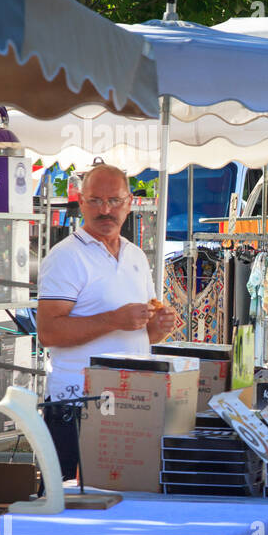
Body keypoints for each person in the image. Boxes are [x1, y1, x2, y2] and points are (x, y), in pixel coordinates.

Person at [36, 163, 179, 481]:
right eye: (96, 201)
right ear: (80, 201)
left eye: (114, 201)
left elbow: (144, 335)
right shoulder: (66, 257)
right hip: (78, 404)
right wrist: (114, 319)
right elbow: (48, 332)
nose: (105, 210)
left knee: (125, 499)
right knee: (70, 504)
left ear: (129, 202)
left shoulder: (136, 256)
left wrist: (159, 326)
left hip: (130, 402)